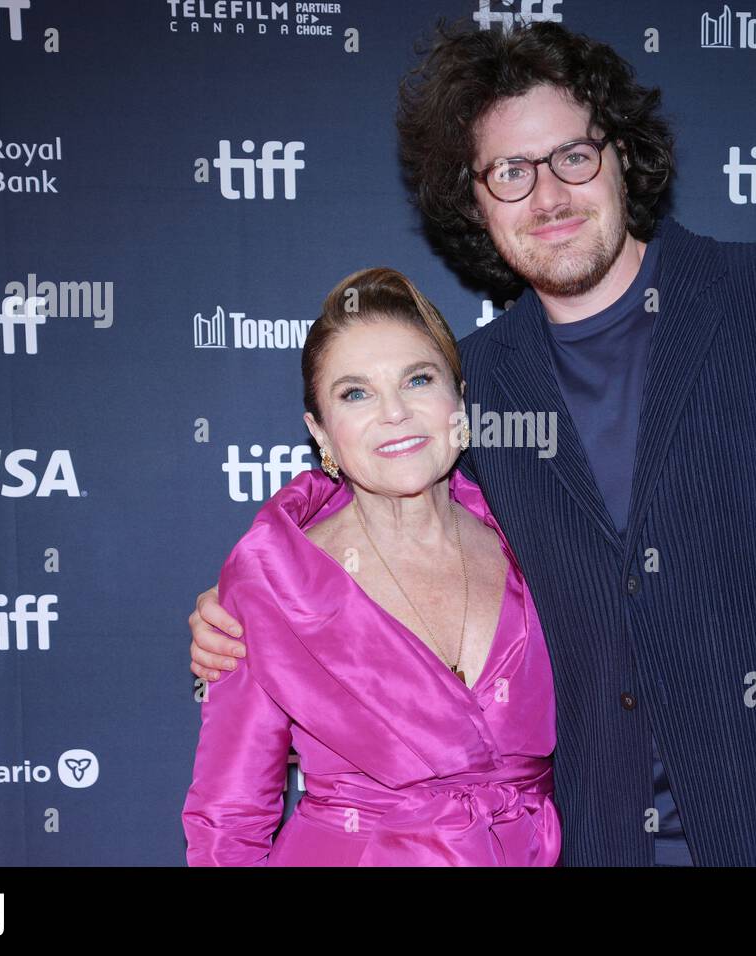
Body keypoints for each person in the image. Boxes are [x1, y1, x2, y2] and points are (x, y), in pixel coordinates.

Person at [189, 20, 756, 866]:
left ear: (622, 157)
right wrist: (241, 598)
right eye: (511, 172)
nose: (549, 196)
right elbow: (386, 505)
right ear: (475, 200)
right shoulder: (478, 385)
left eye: (573, 155)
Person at [181, 267, 561, 866]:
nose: (394, 413)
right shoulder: (273, 581)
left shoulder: (537, 540)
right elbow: (229, 821)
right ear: (320, 432)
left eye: (418, 379)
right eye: (355, 392)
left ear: (457, 402)